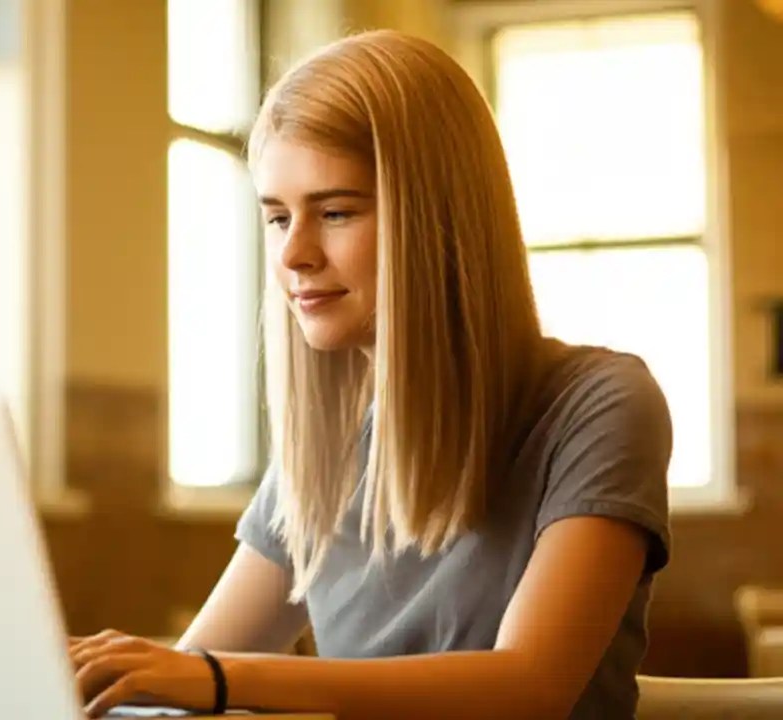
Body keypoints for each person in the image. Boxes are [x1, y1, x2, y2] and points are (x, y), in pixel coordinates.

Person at [68, 29, 672, 720]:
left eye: (335, 212)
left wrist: (216, 678)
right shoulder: (321, 450)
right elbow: (179, 688)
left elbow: (528, 690)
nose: (293, 253)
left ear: (440, 220)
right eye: (275, 217)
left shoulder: (599, 404)